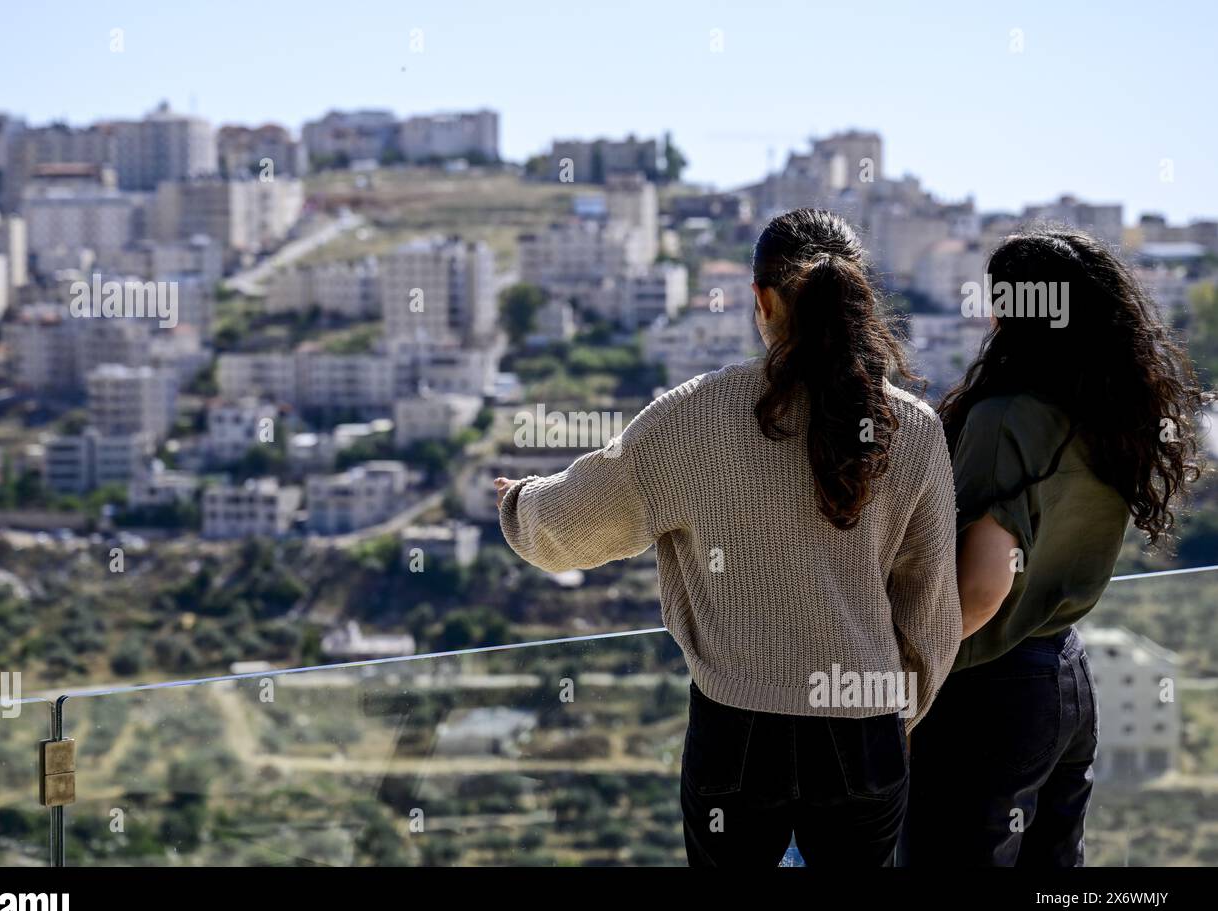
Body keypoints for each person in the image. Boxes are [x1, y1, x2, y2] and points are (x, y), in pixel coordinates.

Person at [495, 208, 961, 867]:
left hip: (739, 735)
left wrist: (518, 504)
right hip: (865, 733)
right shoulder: (913, 428)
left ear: (762, 301)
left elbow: (569, 532)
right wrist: (889, 716)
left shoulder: (698, 412)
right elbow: (931, 610)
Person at [905, 226, 1208, 866]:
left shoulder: (1007, 417)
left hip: (984, 691)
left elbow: (983, 588)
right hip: (1066, 681)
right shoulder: (1107, 415)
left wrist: (907, 685)